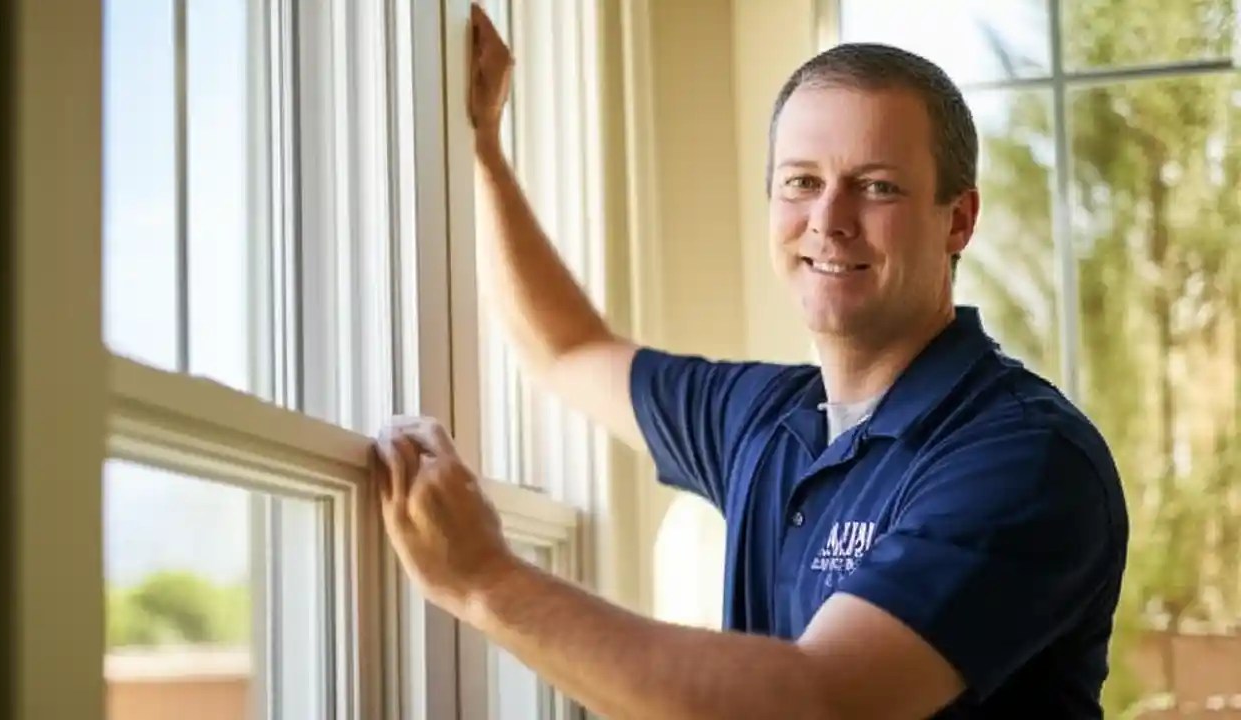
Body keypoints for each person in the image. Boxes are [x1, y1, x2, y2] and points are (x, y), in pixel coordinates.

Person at [373, 5, 1130, 718]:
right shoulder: (766, 419)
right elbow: (569, 349)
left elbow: (821, 703)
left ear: (957, 220)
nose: (829, 222)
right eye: (802, 182)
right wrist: (481, 147)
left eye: (877, 187)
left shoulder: (1023, 458)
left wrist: (485, 579)